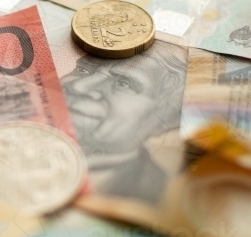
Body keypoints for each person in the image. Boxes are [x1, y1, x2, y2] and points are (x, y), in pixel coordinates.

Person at [61, 41, 188, 205]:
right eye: (83, 69)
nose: (79, 86)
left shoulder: (163, 197)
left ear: (167, 119)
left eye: (123, 84)